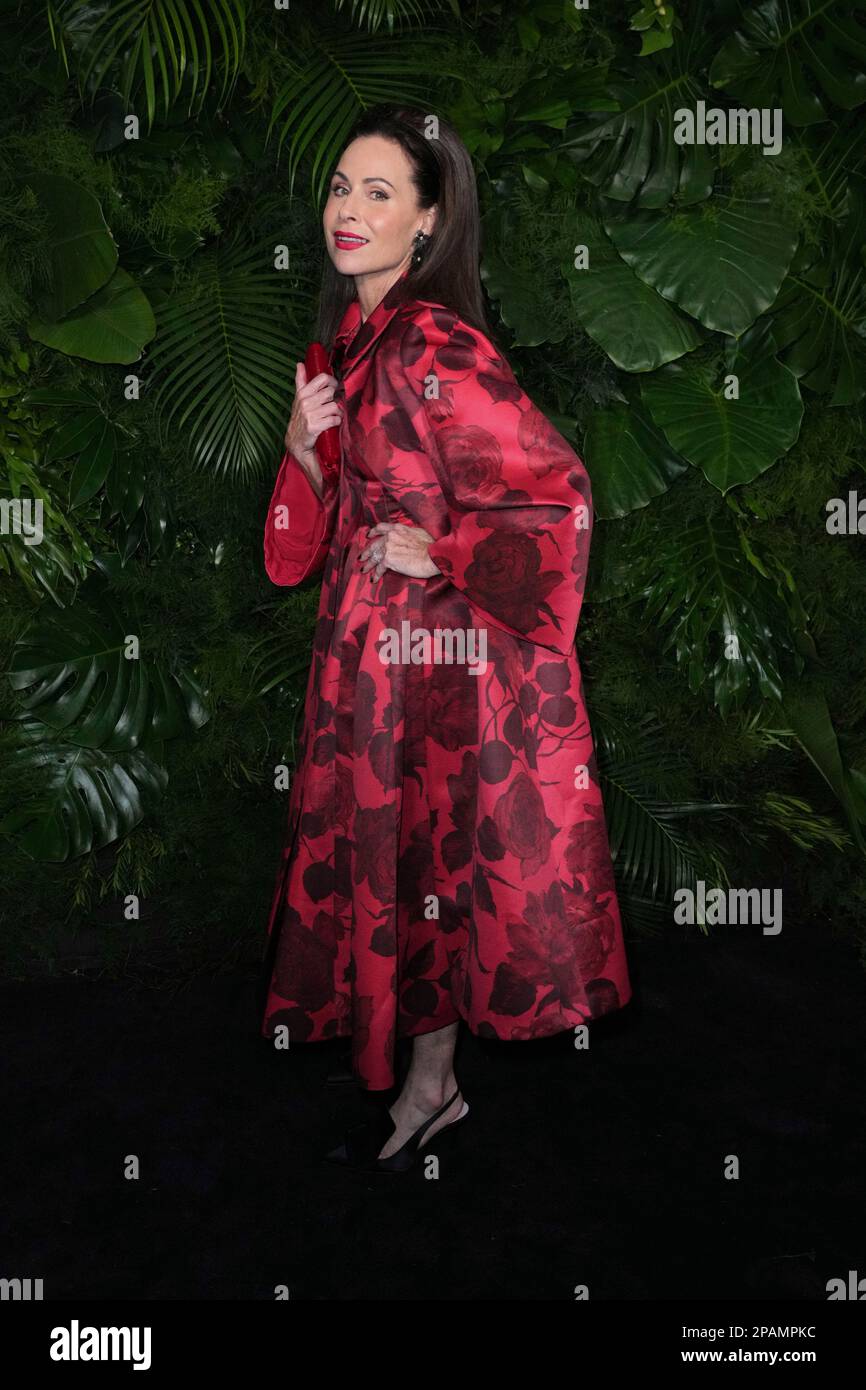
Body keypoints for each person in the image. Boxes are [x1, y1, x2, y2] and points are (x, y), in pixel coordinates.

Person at [259, 104, 632, 1174]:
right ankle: (430, 1083)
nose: (348, 208)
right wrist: (304, 451)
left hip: (433, 663)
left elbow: (555, 496)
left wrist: (449, 548)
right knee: (400, 861)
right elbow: (294, 554)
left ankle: (430, 1083)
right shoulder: (348, 343)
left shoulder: (432, 341)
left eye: (380, 192)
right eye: (340, 185)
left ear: (427, 224)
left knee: (428, 860)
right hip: (361, 654)